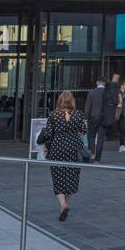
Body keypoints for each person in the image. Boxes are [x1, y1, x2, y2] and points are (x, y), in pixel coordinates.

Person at [38, 91, 86, 222]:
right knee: (72, 178)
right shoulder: (78, 114)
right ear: (72, 101)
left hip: (57, 149)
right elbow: (83, 131)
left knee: (58, 179)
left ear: (60, 101)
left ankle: (63, 205)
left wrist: (46, 144)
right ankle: (66, 204)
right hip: (73, 149)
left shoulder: (54, 115)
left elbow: (48, 133)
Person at [82, 77, 112, 163]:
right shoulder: (108, 93)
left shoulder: (92, 92)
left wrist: (85, 119)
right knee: (100, 138)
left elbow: (87, 108)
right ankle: (98, 158)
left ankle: (92, 155)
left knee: (91, 136)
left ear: (97, 82)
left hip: (93, 117)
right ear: (105, 83)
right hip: (104, 118)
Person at [113, 78, 125, 153]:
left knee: (123, 130)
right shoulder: (117, 92)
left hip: (124, 114)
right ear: (122, 85)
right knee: (114, 129)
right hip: (116, 114)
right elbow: (114, 101)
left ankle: (122, 146)